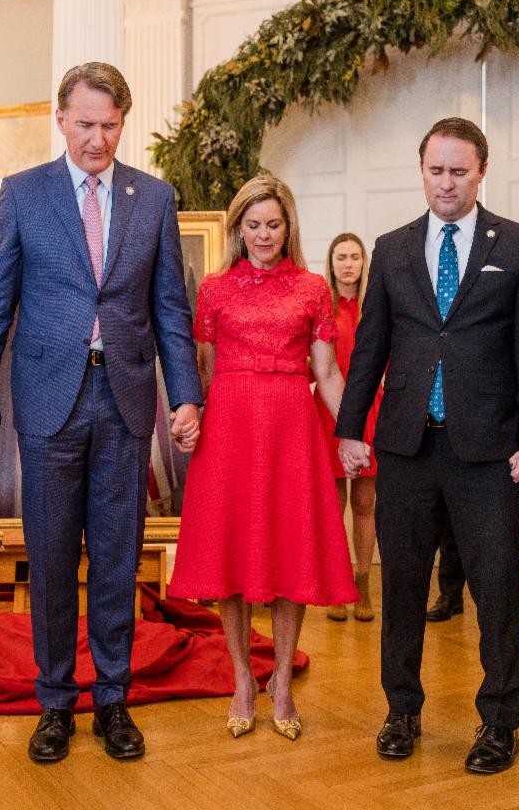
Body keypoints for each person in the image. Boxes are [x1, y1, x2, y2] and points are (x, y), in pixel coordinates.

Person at [0, 62, 203, 763]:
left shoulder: (152, 197)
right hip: (48, 400)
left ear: (123, 123)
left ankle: (115, 699)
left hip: (123, 399)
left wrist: (185, 392)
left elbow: (169, 308)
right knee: (54, 553)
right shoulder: (24, 194)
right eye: (86, 124)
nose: (97, 138)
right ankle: (55, 701)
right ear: (60, 119)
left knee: (119, 557)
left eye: (110, 125)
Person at [338, 117, 519, 774]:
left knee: (495, 591)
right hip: (405, 446)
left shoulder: (518, 244)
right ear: (422, 170)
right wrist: (351, 427)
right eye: (437, 170)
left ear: (481, 171)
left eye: (460, 171)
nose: (447, 183)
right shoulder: (393, 246)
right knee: (400, 586)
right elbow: (370, 345)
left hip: (488, 451)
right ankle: (400, 709)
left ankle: (499, 721)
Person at [169, 176, 356, 740]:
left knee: (289, 549)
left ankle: (280, 681)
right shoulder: (216, 288)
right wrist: (187, 416)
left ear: (288, 227)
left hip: (290, 427)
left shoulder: (312, 287)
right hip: (227, 424)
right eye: (253, 225)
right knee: (229, 553)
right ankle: (243, 678)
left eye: (273, 224)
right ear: (238, 229)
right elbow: (200, 370)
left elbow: (325, 371)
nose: (263, 235)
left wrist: (351, 435)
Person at [314, 232, 378, 624]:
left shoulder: (374, 305)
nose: (349, 264)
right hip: (328, 411)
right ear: (332, 262)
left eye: (355, 256)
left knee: (366, 505)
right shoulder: (322, 307)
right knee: (333, 505)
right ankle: (336, 586)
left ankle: (363, 585)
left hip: (372, 409)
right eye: (342, 257)